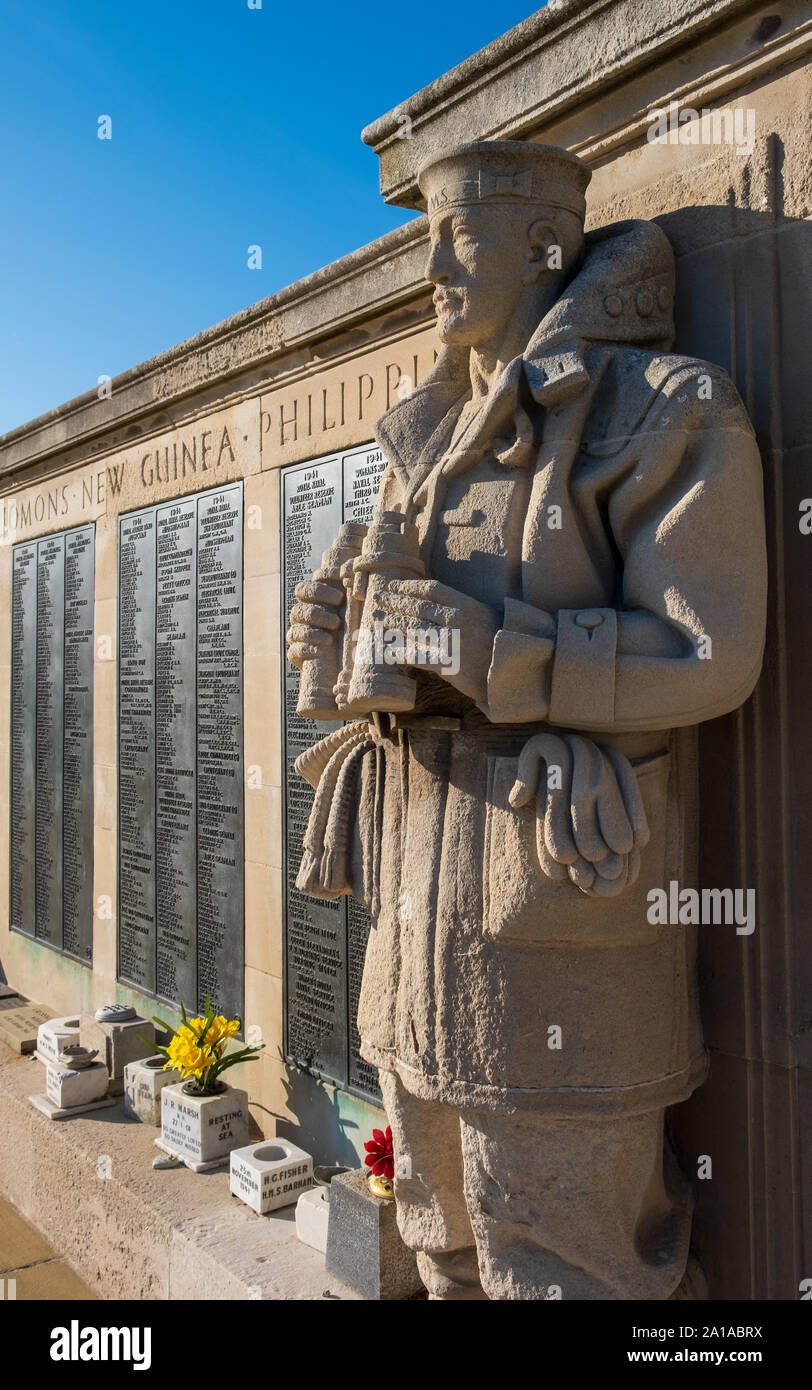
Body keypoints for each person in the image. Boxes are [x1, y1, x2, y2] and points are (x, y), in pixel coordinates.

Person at [287, 141, 767, 1299]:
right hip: (414, 935)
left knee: (569, 1271)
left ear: (549, 244)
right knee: (440, 1237)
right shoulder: (423, 447)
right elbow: (402, 650)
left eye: (461, 233)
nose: (433, 266)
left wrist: (488, 649)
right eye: (424, 237)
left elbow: (710, 652)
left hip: (555, 938)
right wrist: (351, 645)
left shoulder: (662, 407)